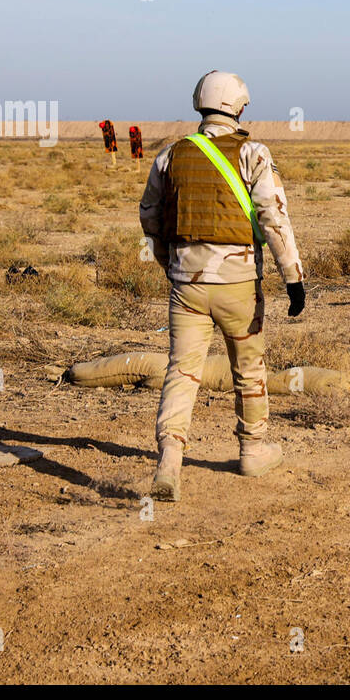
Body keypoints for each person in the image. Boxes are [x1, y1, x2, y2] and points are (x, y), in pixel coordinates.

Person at [138, 71, 306, 500]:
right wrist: (293, 277)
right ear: (239, 107)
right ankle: (252, 450)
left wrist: (169, 264)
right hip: (239, 286)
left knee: (182, 371)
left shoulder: (170, 155)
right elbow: (274, 217)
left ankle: (170, 461)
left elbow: (150, 218)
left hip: (185, 285)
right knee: (248, 368)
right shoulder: (253, 152)